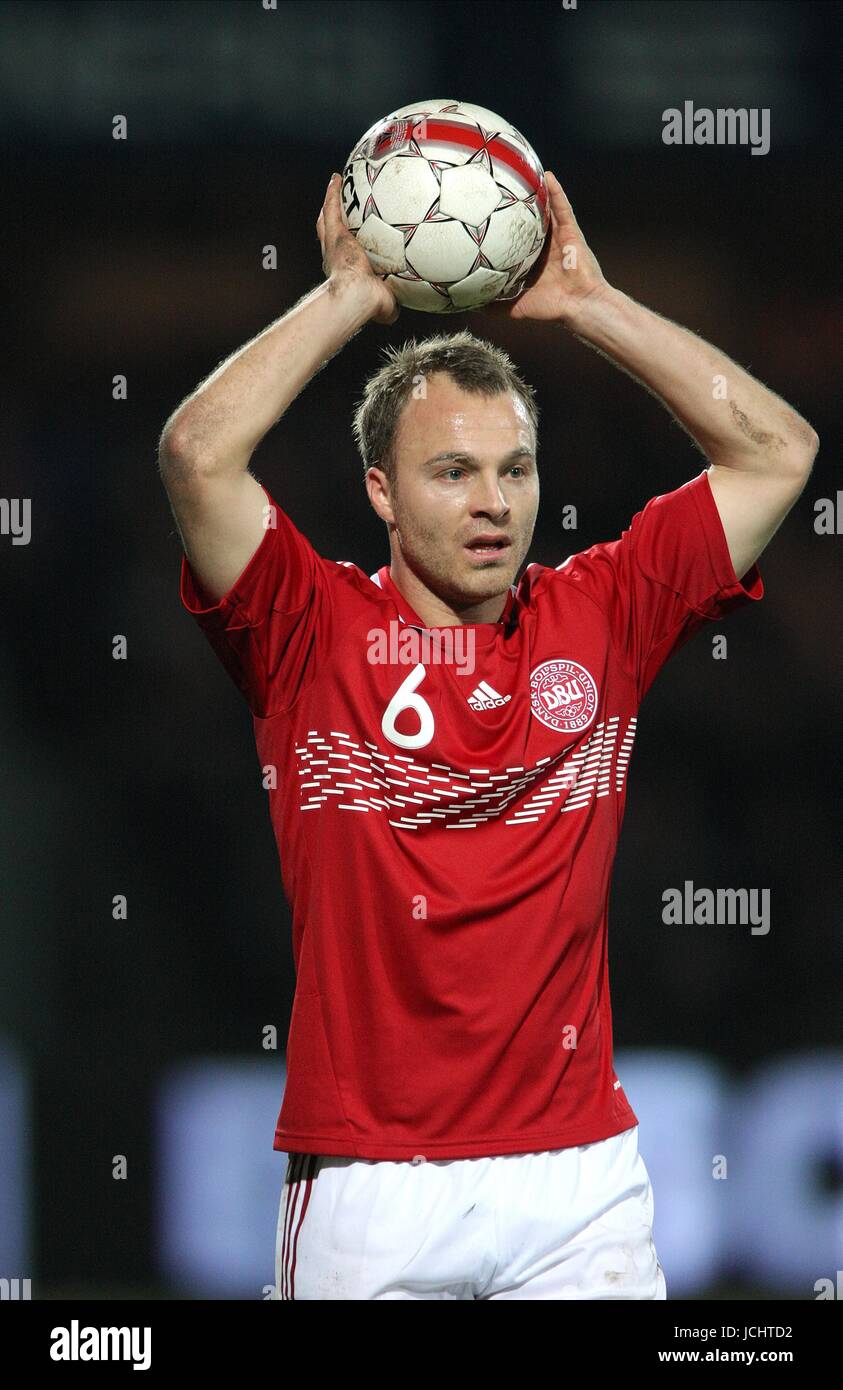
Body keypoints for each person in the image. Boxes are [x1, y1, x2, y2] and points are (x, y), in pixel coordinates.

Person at [157, 170, 818, 1300]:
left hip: (578, 1181)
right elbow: (195, 454)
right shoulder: (306, 631)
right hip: (371, 1185)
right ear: (380, 489)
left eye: (515, 470)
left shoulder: (603, 612)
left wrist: (594, 306)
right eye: (452, 471)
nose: (493, 503)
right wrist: (344, 299)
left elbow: (778, 452)